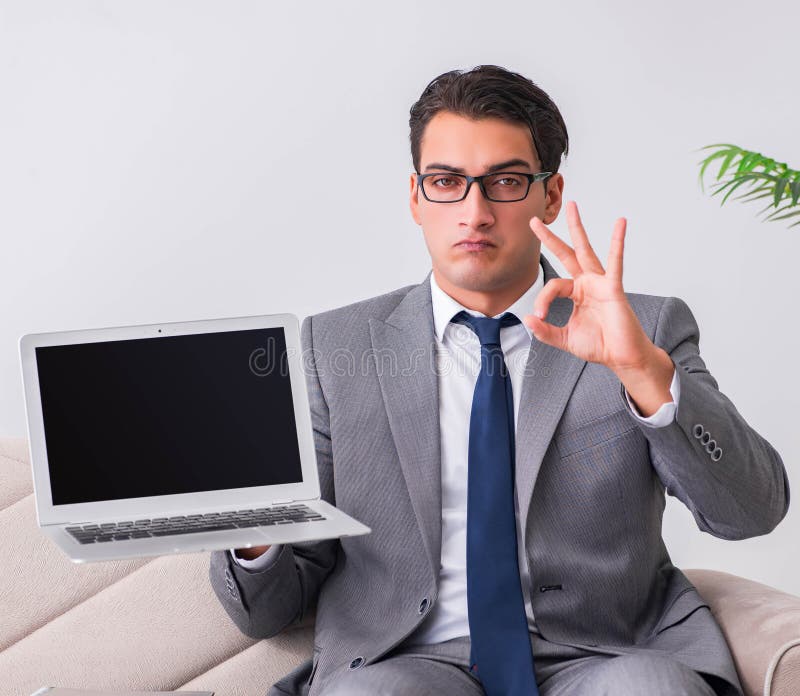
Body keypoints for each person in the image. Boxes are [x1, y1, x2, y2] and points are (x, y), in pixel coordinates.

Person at [209, 65, 790, 696]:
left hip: (604, 652)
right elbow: (265, 610)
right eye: (447, 182)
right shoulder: (335, 348)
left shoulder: (644, 327)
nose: (475, 212)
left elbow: (750, 514)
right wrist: (253, 533)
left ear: (550, 194)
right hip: (408, 662)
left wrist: (644, 371)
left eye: (506, 181)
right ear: (415, 197)